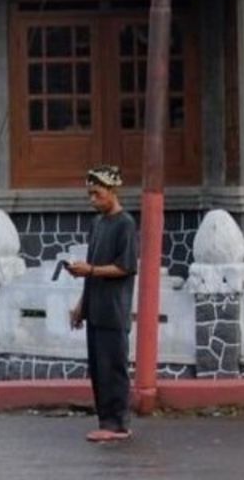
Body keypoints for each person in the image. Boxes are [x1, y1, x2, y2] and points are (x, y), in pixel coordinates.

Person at [67, 165, 138, 442]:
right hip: (95, 306)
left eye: (97, 194)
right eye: (90, 194)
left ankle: (117, 423)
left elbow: (125, 266)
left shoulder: (126, 224)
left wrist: (91, 271)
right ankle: (105, 420)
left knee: (113, 367)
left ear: (112, 191)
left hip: (114, 308)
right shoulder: (97, 223)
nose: (92, 200)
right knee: (98, 368)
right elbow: (93, 266)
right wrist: (81, 304)